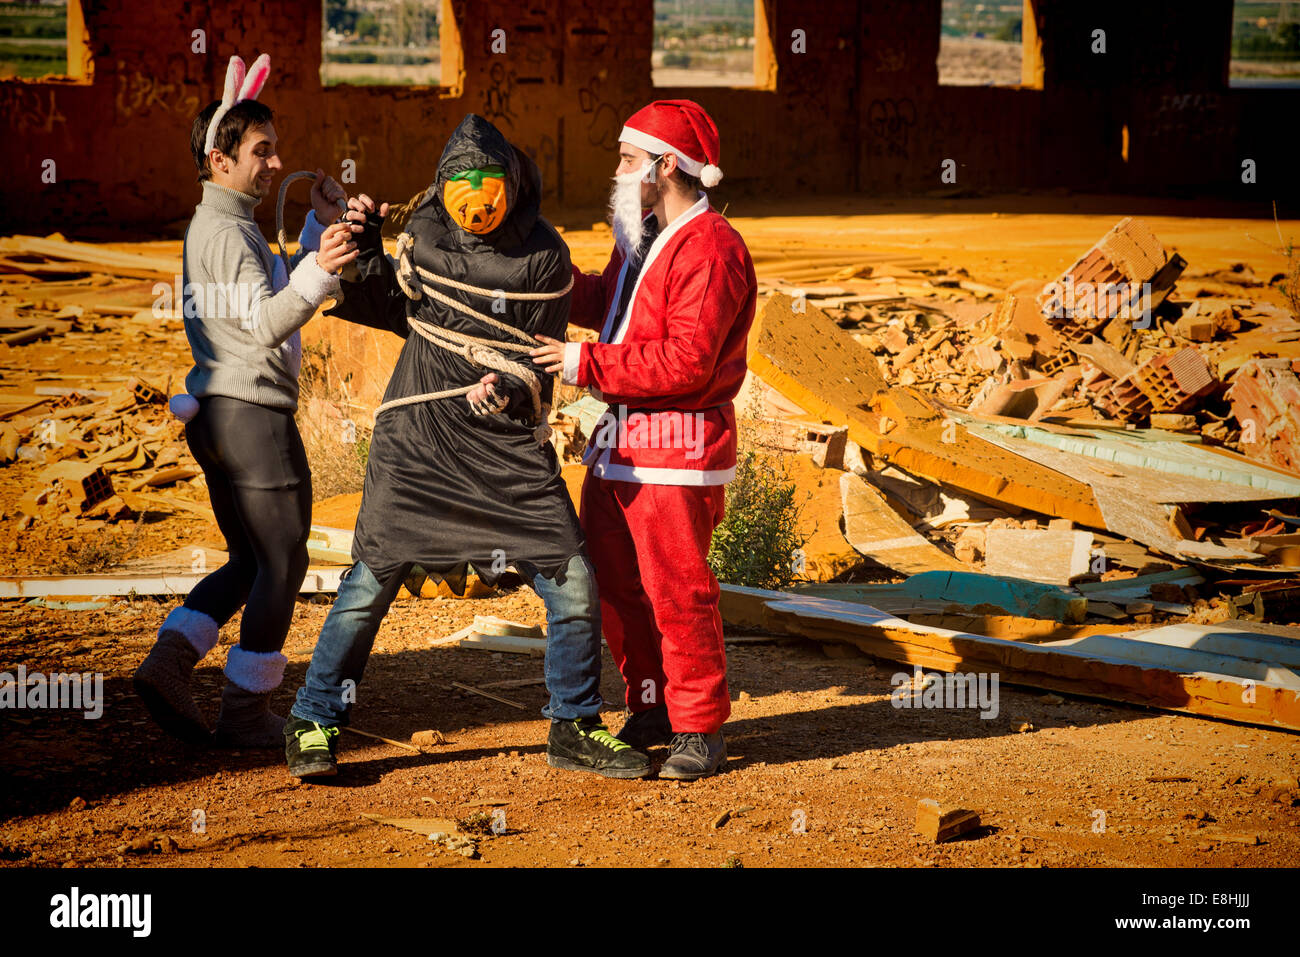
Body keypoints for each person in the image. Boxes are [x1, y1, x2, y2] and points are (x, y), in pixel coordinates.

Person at [282, 113, 649, 781]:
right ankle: (314, 718)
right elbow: (392, 309)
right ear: (441, 185)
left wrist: (510, 387)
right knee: (369, 581)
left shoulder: (544, 259)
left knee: (571, 580)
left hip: (506, 450)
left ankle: (575, 724)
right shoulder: (422, 234)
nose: (474, 197)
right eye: (459, 182)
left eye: (487, 183)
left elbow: (539, 365)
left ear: (512, 183)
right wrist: (366, 249)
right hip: (419, 446)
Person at [133, 54, 357, 748]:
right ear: (219, 158)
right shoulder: (227, 232)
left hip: (220, 413)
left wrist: (318, 239)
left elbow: (274, 293)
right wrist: (319, 271)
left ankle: (170, 662)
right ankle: (242, 712)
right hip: (253, 415)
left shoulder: (224, 226)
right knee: (284, 557)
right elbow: (265, 323)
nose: (274, 161)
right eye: (261, 150)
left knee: (250, 560)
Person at [531, 99, 757, 780]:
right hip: (624, 444)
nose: (620, 171)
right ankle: (653, 703)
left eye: (629, 160)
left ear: (664, 166)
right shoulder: (646, 232)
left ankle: (700, 727)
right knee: (618, 586)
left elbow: (688, 361)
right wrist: (549, 281)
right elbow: (615, 304)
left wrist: (581, 364)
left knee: (676, 589)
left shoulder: (713, 249)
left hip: (677, 451)